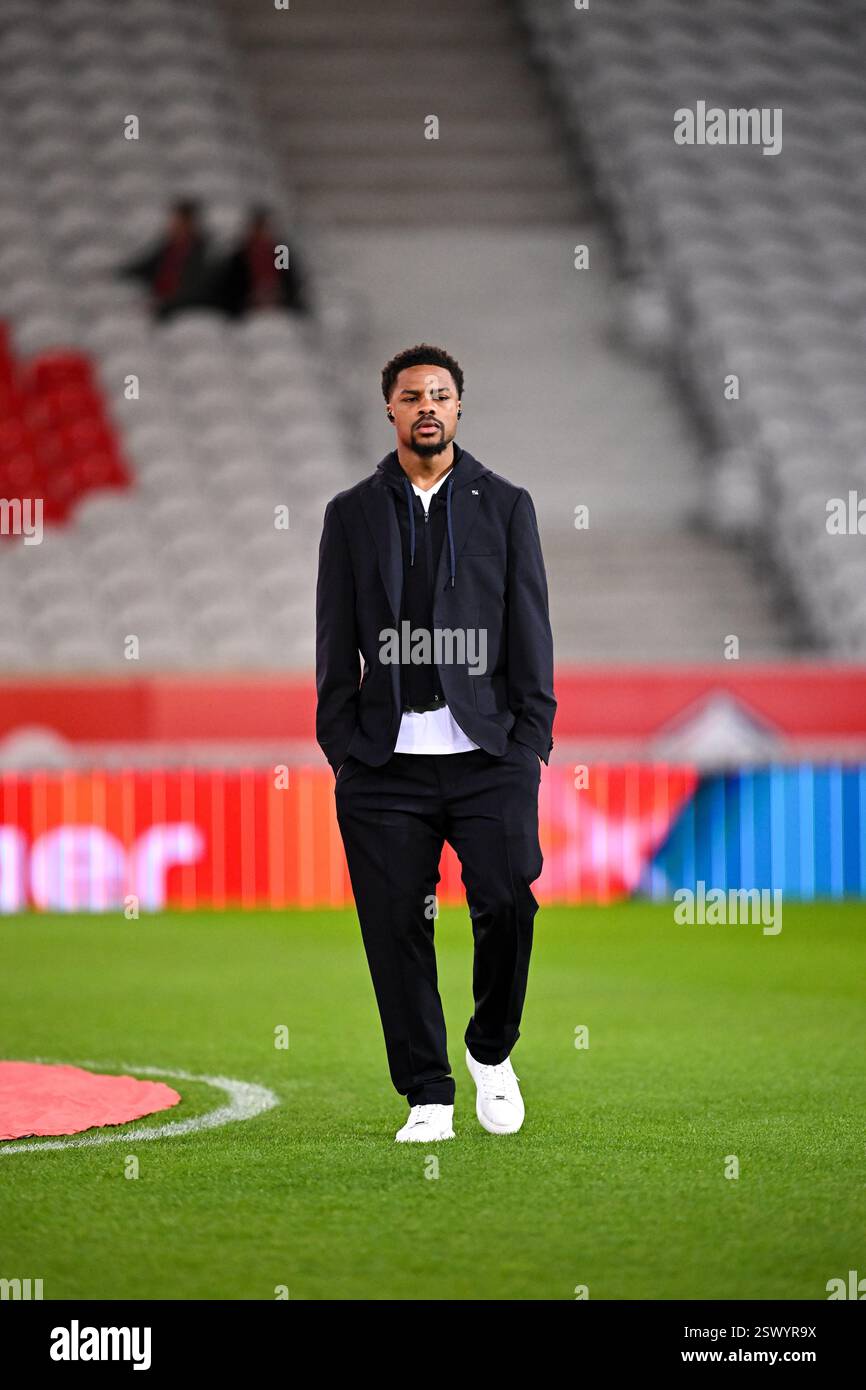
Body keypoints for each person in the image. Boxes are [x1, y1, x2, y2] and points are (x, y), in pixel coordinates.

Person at [315, 343, 556, 1143]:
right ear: (389, 408)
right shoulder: (349, 513)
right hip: (383, 764)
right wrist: (343, 745)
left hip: (489, 755)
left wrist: (530, 742)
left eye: (441, 395)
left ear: (459, 409)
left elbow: (530, 631)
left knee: (508, 901)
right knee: (394, 929)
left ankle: (491, 1050)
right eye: (412, 394)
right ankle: (428, 1093)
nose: (427, 406)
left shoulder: (507, 504)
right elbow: (333, 642)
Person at [119, 198, 212, 320]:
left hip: (181, 308)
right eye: (173, 221)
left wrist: (167, 303)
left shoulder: (204, 252)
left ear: (190, 223)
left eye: (178, 222)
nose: (172, 225)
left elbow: (195, 287)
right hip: (158, 301)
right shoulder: (167, 247)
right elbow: (144, 266)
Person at [215, 206, 309, 318]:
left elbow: (289, 283)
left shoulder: (280, 253)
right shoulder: (241, 255)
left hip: (279, 308)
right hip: (247, 311)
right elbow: (232, 288)